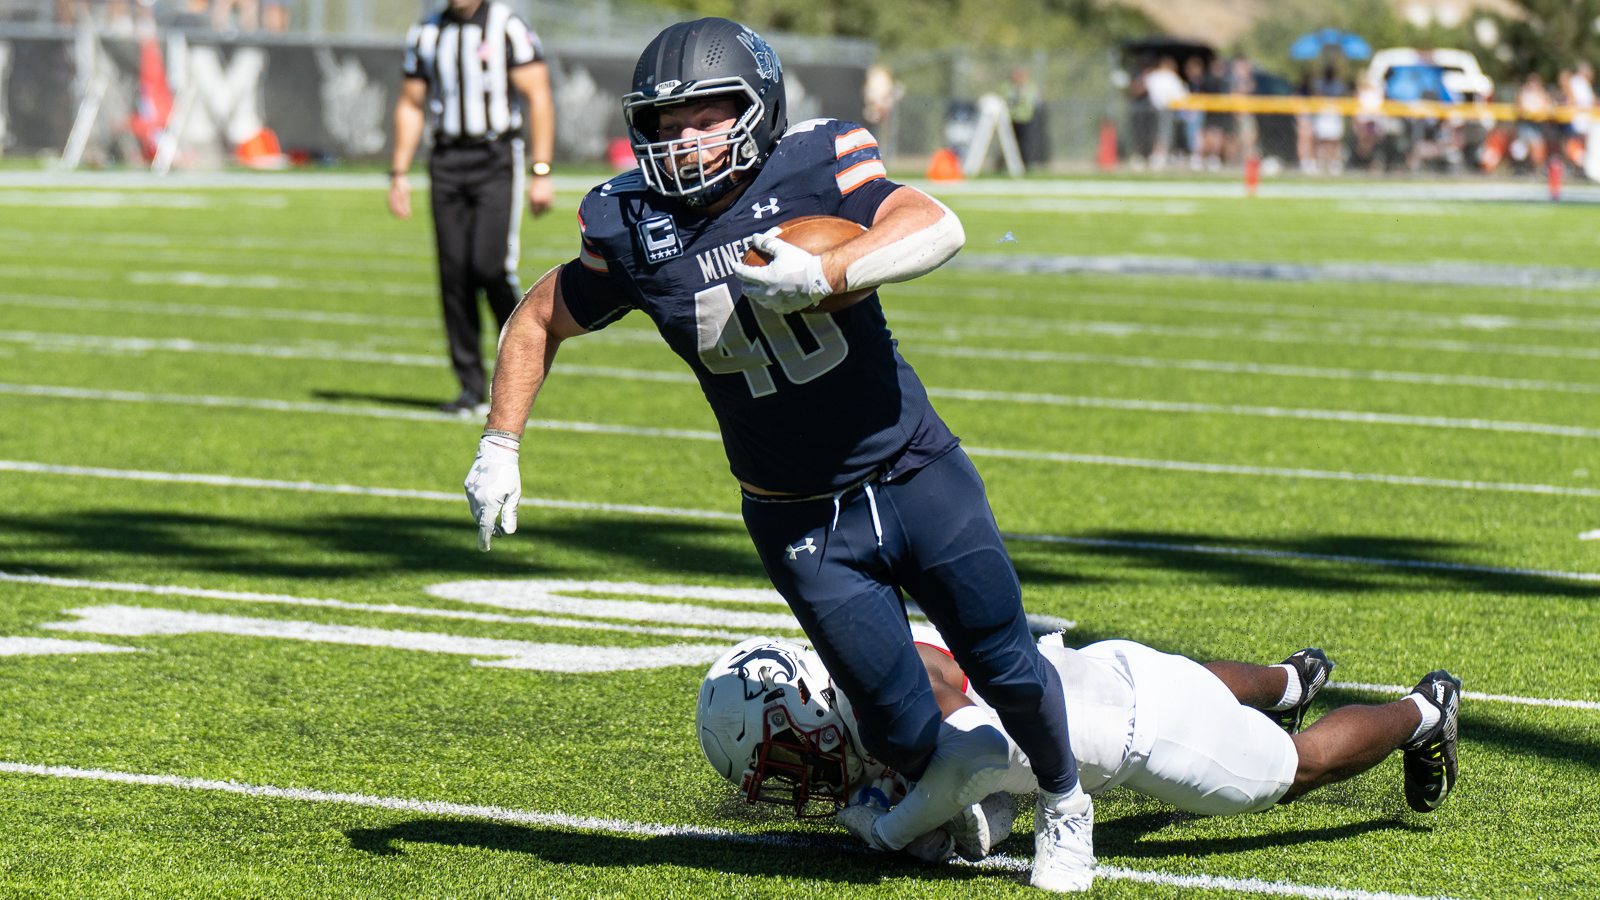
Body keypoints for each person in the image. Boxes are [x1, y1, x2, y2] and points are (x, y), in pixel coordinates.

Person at [461, 17, 1094, 891]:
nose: (684, 140)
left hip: (911, 469)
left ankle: (1065, 802)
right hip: (797, 514)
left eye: (706, 117)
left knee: (1004, 662)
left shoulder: (814, 163)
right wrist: (500, 442)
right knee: (896, 724)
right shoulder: (630, 222)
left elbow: (936, 222)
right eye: (665, 122)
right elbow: (538, 316)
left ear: (757, 110)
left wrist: (829, 273)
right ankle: (960, 786)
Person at [697, 630, 1462, 868]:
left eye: (785, 756)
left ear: (804, 703)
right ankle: (1288, 683)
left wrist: (893, 828)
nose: (794, 778)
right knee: (1192, 682)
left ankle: (1424, 712)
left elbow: (978, 760)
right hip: (1100, 671)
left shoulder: (904, 705)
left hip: (1142, 733)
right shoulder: (869, 668)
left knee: (1295, 769)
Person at [389, 0, 556, 415]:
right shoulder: (426, 32)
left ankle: (522, 360)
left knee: (490, 266)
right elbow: (411, 102)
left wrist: (541, 170)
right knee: (454, 274)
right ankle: (470, 387)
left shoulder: (506, 26)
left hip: (495, 157)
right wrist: (399, 171)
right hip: (446, 159)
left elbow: (538, 95)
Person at [1142, 56, 1188, 171]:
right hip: (1165, 109)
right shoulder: (1170, 77)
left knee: (1155, 133)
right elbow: (1181, 95)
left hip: (1151, 108)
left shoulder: (1153, 76)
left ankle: (1155, 155)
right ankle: (1160, 155)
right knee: (1164, 133)